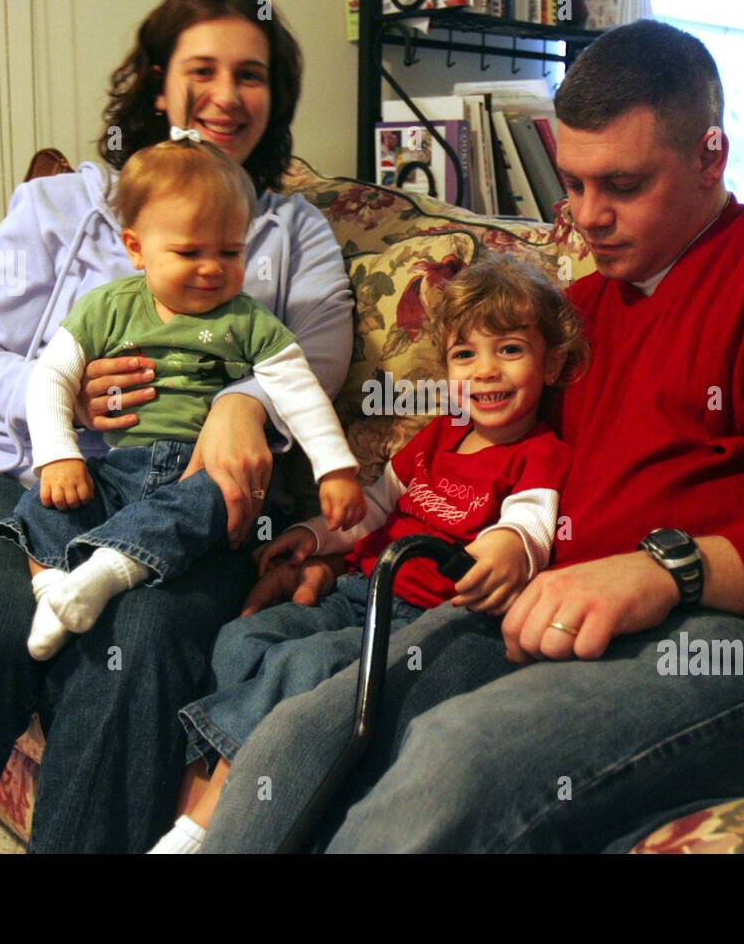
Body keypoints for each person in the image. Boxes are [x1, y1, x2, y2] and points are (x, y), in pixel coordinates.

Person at [193, 19, 744, 853]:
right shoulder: (569, 319)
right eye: (574, 182)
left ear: (710, 158)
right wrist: (347, 550)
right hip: (557, 614)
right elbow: (477, 471)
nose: (588, 217)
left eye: (622, 184)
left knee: (454, 761)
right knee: (303, 732)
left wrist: (667, 571)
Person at [0, 0, 354, 854]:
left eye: (251, 75)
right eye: (202, 70)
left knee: (138, 646)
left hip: (173, 501)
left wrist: (240, 404)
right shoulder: (62, 205)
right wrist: (58, 397)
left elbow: (316, 358)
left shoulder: (294, 233)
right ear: (157, 84)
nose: (226, 95)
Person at [150, 255, 584, 852]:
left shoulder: (540, 452)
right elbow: (375, 508)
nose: (486, 371)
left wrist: (511, 543)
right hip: (358, 589)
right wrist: (313, 537)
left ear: (551, 363)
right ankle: (225, 783)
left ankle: (204, 825)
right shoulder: (439, 436)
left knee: (304, 665)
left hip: (416, 620)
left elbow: (531, 521)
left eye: (509, 350)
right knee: (242, 637)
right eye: (466, 355)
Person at [0, 138, 364, 660]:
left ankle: (105, 572)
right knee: (43, 500)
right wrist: (58, 455)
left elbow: (299, 390)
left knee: (219, 499)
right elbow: (51, 376)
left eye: (230, 252)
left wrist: (335, 469)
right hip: (118, 466)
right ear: (136, 249)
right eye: (190, 253)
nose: (212, 268)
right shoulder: (107, 308)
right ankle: (53, 592)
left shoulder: (248, 321)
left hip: (197, 471)